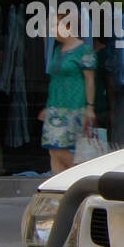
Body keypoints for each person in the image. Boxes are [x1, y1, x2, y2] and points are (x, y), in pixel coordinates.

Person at [38, 27, 96, 174]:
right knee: (53, 150)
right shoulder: (58, 50)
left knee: (60, 150)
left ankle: (80, 176)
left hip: (73, 106)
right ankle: (59, 191)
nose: (52, 31)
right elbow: (54, 79)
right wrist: (47, 106)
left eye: (56, 26)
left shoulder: (84, 50)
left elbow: (90, 80)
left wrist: (90, 106)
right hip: (55, 106)